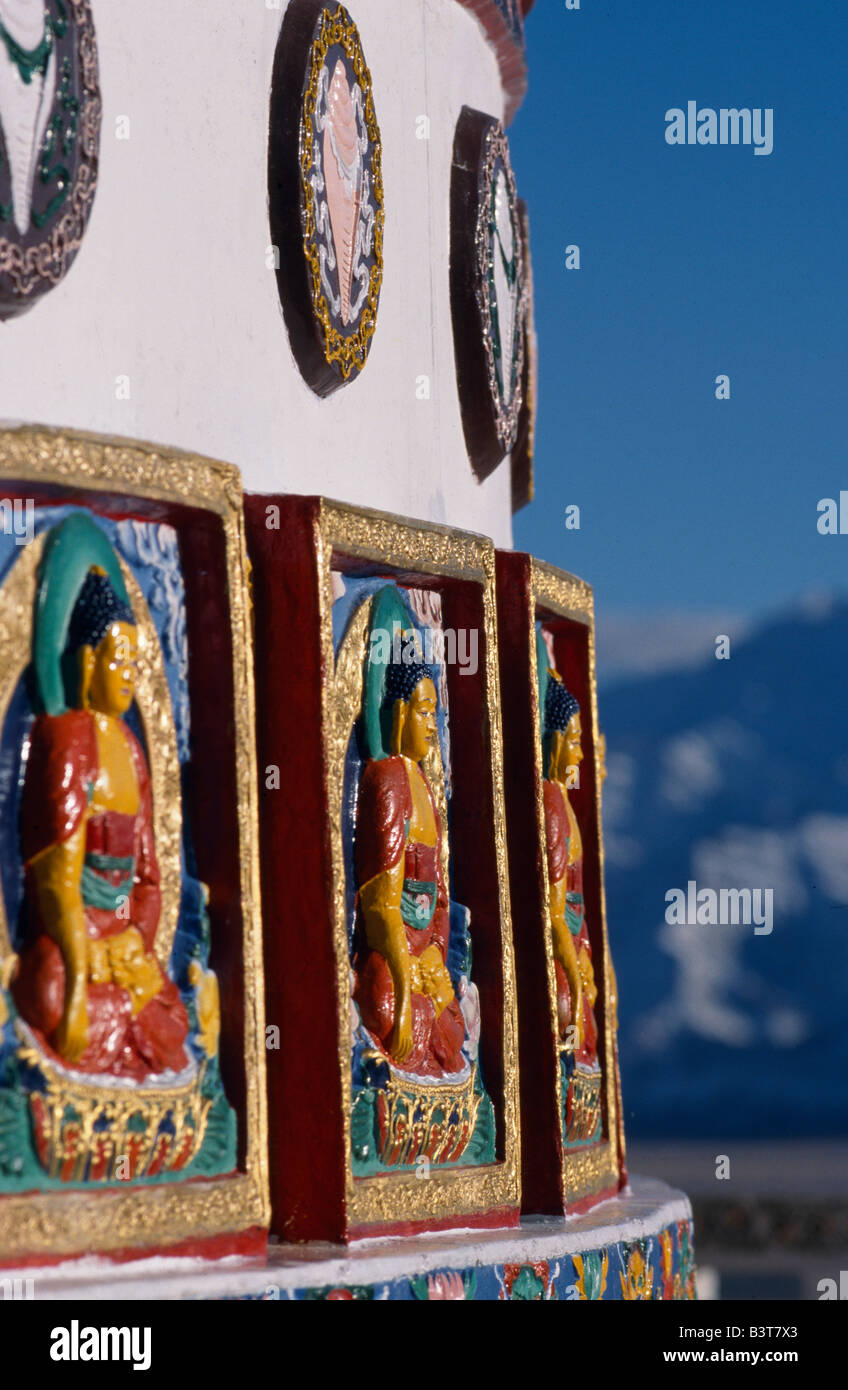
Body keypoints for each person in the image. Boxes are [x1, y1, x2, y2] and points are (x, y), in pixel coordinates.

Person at [13, 566, 190, 1079]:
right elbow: (56, 879)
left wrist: (134, 939)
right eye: (120, 660)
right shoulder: (66, 736)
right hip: (73, 937)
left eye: (137, 662)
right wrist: (82, 964)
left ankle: (114, 1026)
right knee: (48, 992)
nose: (131, 674)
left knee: (174, 1017)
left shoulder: (132, 751)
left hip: (120, 937)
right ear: (88, 661)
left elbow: (148, 876)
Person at [353, 657, 466, 1078]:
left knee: (455, 1031)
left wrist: (435, 954)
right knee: (386, 1014)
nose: (432, 724)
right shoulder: (389, 781)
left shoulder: (424, 788)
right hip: (392, 952)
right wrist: (405, 981)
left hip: (424, 954)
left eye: (434, 713)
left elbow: (439, 899)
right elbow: (380, 904)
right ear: (399, 713)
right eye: (423, 712)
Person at [542, 673, 599, 1068]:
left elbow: (575, 912)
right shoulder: (552, 805)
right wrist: (575, 979)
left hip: (575, 945)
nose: (580, 757)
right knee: (567, 1011)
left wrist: (587, 961)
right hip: (563, 947)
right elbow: (554, 911)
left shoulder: (567, 805)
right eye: (575, 743)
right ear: (556, 740)